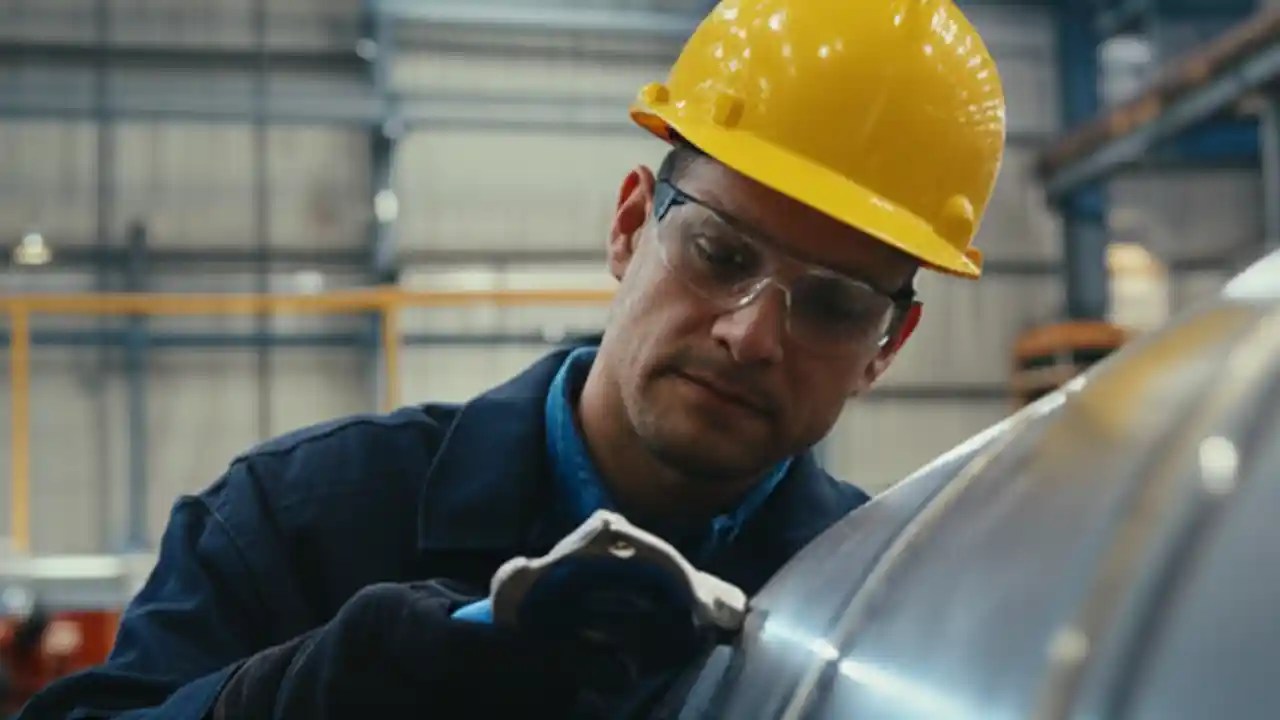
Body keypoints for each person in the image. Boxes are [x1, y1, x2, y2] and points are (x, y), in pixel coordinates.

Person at [19, 0, 1006, 716]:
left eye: (832, 306)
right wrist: (283, 698)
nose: (749, 334)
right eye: (719, 253)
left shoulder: (897, 619)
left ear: (886, 347)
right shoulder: (293, 524)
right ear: (630, 226)